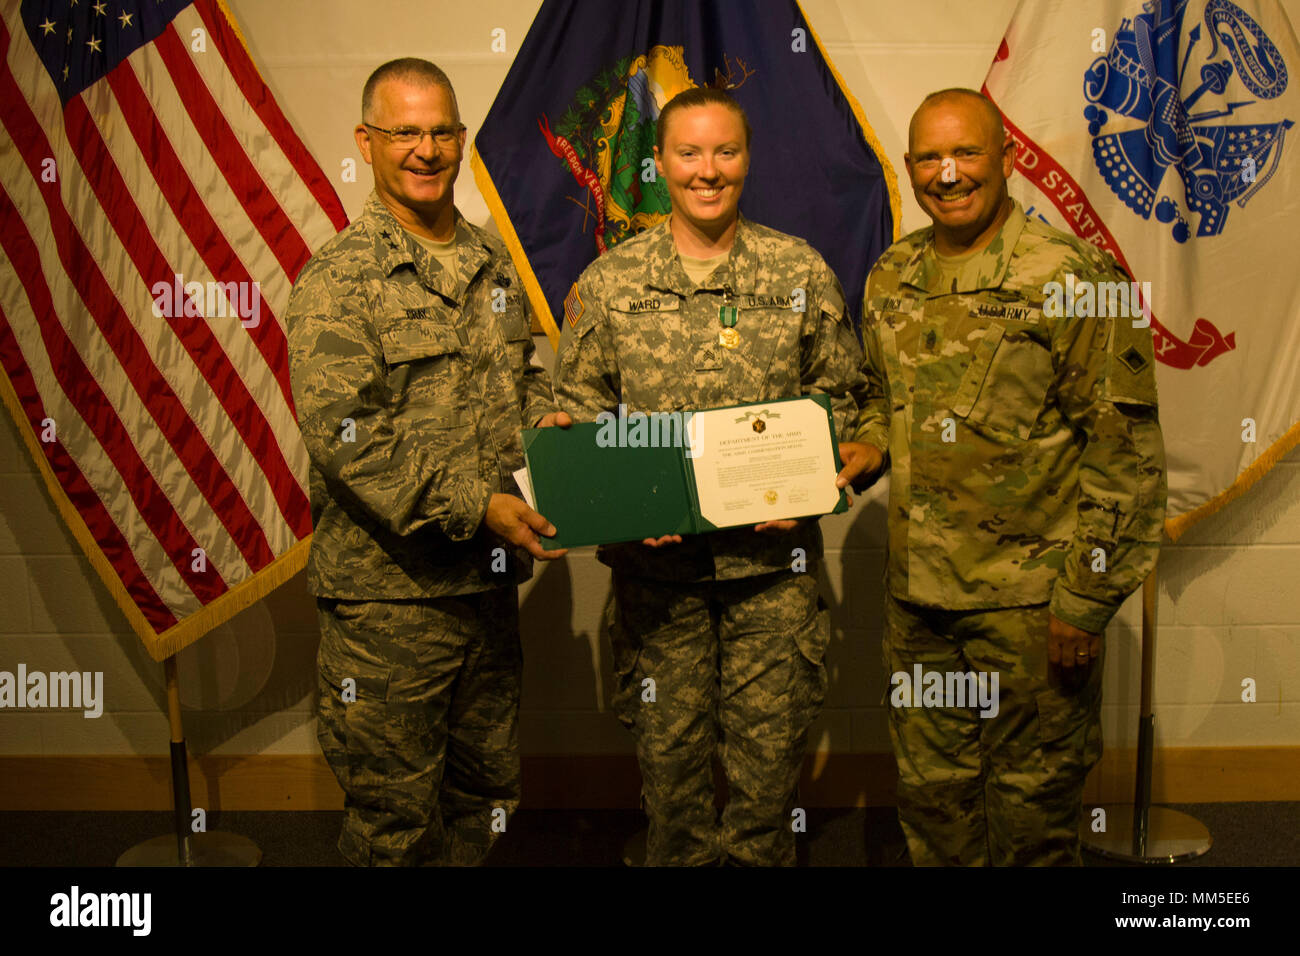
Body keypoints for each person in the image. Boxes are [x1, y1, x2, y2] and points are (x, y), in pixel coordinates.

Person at [553, 87, 874, 866]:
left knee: (767, 788)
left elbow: (844, 397)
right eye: (688, 153)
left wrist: (816, 480)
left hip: (773, 574)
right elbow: (574, 412)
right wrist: (625, 501)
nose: (708, 170)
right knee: (672, 791)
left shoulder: (798, 270)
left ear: (747, 158)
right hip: (656, 582)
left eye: (725, 151)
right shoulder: (610, 283)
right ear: (658, 165)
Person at [847, 88, 1166, 865]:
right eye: (928, 157)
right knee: (932, 803)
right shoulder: (891, 276)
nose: (947, 174)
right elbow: (879, 403)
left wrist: (1086, 601)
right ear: (910, 167)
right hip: (919, 608)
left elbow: (1126, 455)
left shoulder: (1073, 276)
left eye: (966, 154)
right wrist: (862, 445)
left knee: (1031, 818)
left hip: (1031, 614)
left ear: (1006, 160)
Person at [285, 58, 568, 866]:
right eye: (404, 131)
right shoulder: (340, 280)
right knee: (395, 825)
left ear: (461, 138)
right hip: (389, 606)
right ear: (365, 142)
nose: (426, 148)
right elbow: (347, 436)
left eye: (442, 130)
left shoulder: (490, 263)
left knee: (487, 807)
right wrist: (476, 504)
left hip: (484, 591)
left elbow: (517, 383)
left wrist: (555, 434)